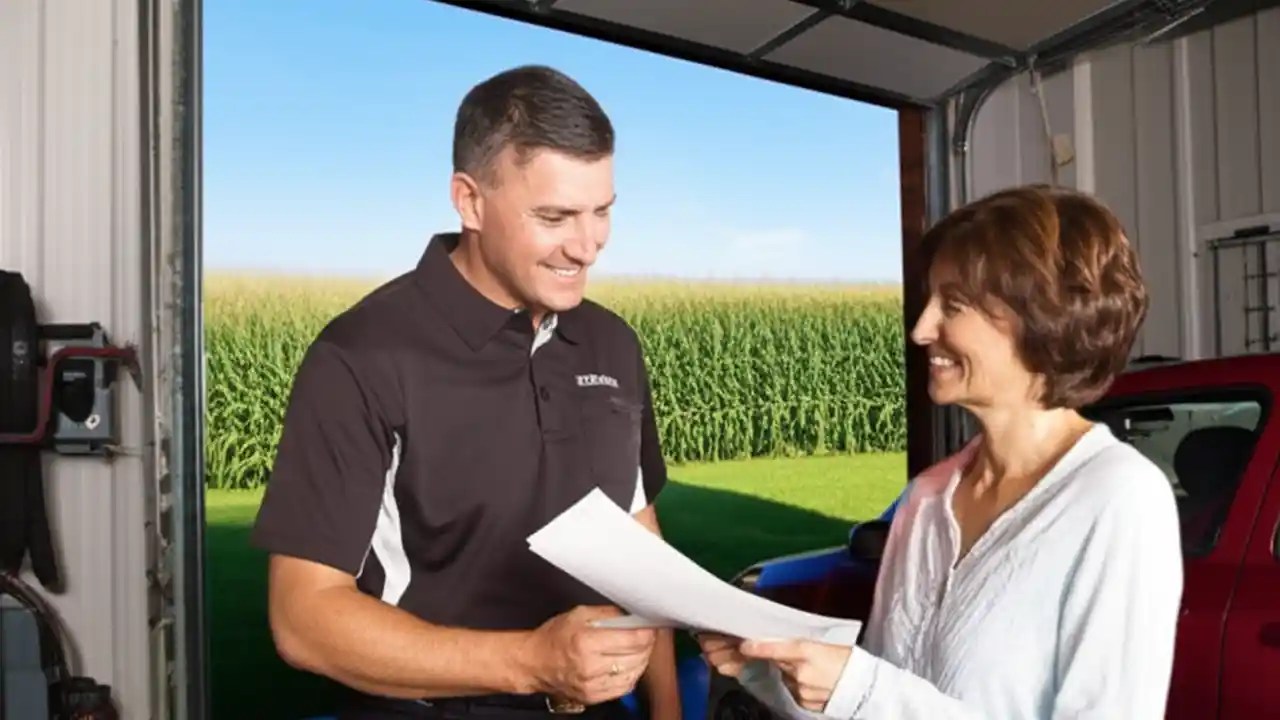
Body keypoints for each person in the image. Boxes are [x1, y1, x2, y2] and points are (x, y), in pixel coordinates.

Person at [250, 65, 680, 719]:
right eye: (554, 216)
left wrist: (668, 713)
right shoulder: (361, 356)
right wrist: (533, 661)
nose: (587, 245)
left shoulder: (613, 342)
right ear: (469, 200)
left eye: (602, 212)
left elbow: (639, 540)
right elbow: (303, 618)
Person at [699, 184, 1184, 718]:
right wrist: (767, 671)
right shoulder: (928, 497)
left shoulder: (1118, 497)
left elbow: (880, 698)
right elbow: (879, 704)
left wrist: (862, 688)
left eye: (951, 304)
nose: (922, 329)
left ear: (1041, 317)